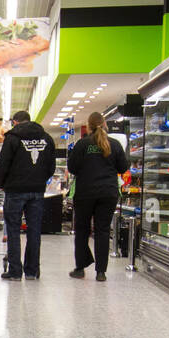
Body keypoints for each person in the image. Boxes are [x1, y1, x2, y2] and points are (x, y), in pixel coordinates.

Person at [67, 111, 130, 282]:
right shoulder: (114, 144)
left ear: (89, 125)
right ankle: (101, 272)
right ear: (104, 124)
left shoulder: (82, 144)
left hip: (85, 192)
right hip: (108, 193)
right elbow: (123, 167)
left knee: (82, 230)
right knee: (102, 231)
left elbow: (72, 168)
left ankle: (80, 268)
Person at [0, 110, 55, 280]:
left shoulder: (13, 138)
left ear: (15, 122)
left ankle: (15, 271)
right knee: (34, 231)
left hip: (15, 190)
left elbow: (3, 164)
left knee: (13, 230)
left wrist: (1, 184)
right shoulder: (47, 138)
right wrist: (40, 180)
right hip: (37, 190)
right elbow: (51, 166)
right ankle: (32, 271)